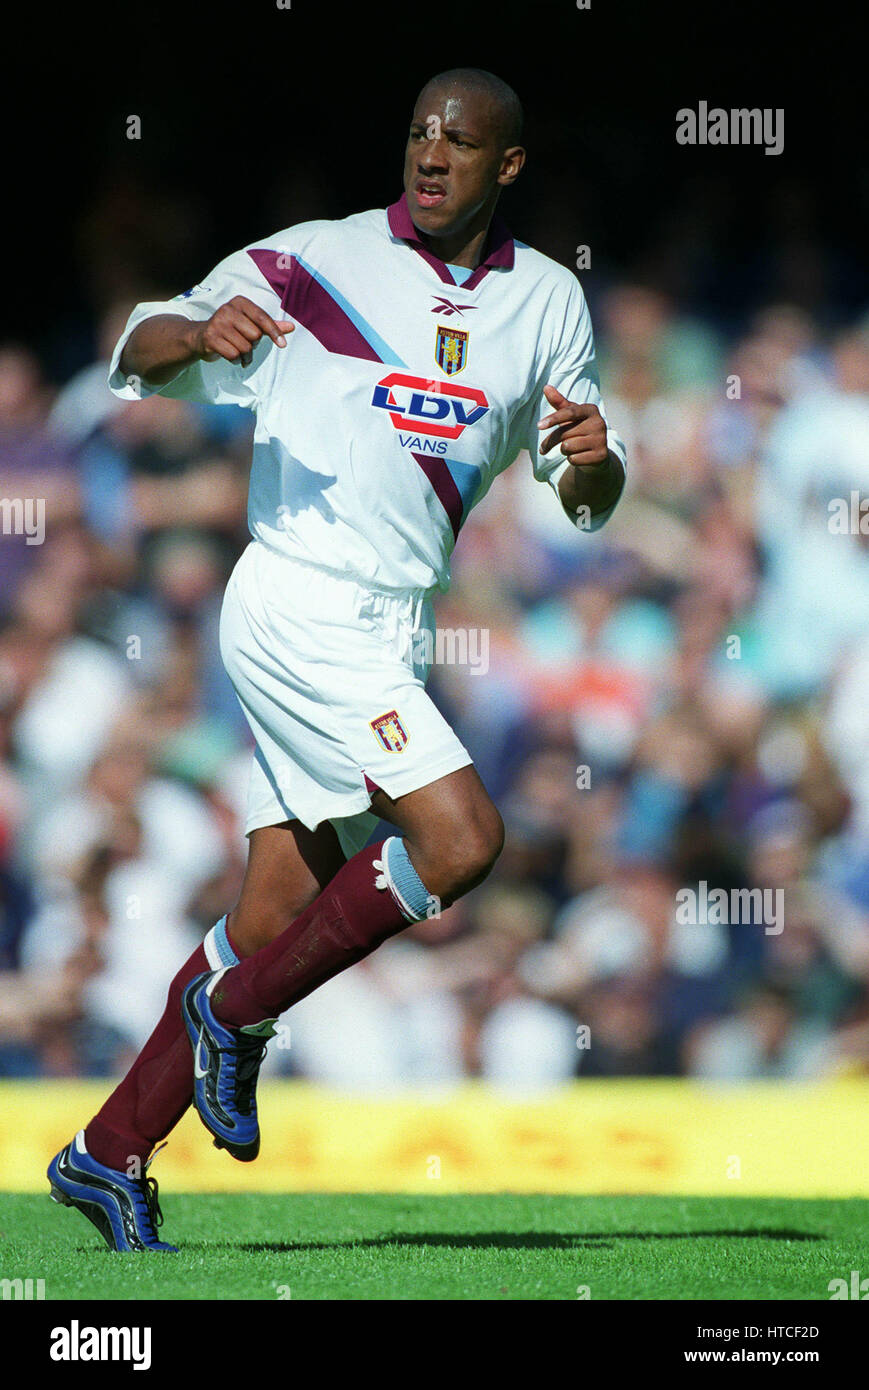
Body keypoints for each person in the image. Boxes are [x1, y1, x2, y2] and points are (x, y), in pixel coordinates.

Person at [47, 67, 627, 1251]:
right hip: (299, 596)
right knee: (460, 839)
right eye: (418, 130)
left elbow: (584, 494)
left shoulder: (549, 303)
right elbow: (138, 344)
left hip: (393, 621)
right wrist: (196, 333)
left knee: (271, 910)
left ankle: (104, 1152)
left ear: (505, 166)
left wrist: (597, 459)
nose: (431, 152)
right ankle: (236, 1019)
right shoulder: (318, 257)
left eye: (459, 141)